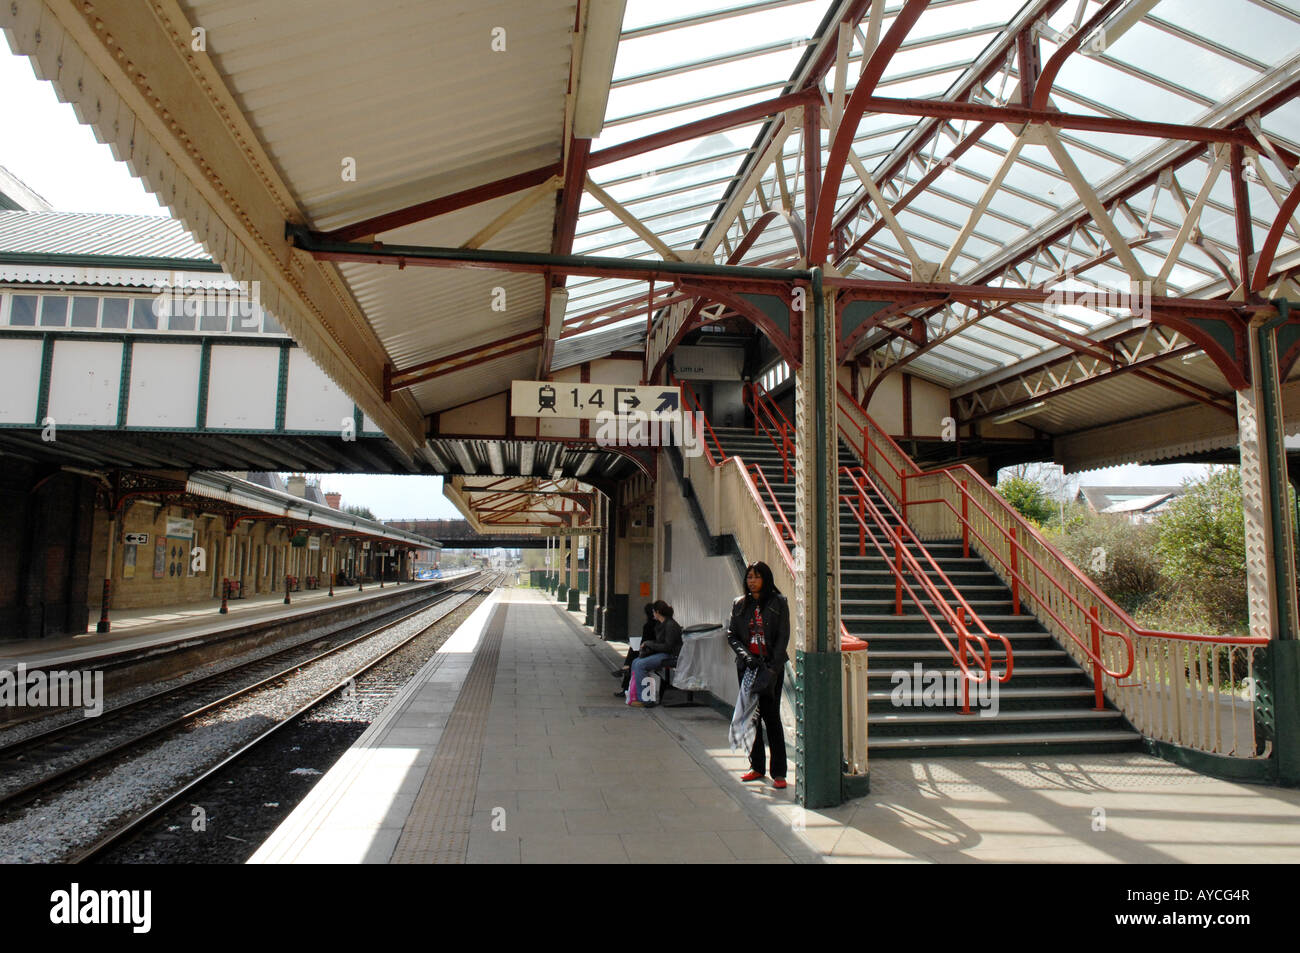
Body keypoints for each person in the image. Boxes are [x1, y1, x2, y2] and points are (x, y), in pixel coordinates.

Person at [725, 561, 790, 788]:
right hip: (748, 668)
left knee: (771, 717)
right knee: (750, 717)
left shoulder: (778, 603)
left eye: (756, 576)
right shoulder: (740, 604)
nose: (751, 580)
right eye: (749, 577)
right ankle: (757, 767)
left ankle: (779, 773)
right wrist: (746, 657)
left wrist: (772, 667)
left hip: (771, 668)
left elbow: (783, 637)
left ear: (766, 578)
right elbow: (731, 634)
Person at [627, 600, 682, 707]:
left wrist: (649, 644)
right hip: (663, 653)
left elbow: (668, 647)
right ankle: (636, 695)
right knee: (635, 662)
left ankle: (645, 699)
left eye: (653, 612)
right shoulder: (662, 624)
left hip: (670, 655)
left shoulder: (670, 625)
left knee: (640, 664)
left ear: (657, 612)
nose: (652, 614)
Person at [615, 604, 657, 696]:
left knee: (633, 659)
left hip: (651, 650)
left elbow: (645, 641)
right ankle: (626, 669)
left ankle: (625, 672)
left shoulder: (648, 625)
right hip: (652, 648)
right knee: (632, 652)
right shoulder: (659, 624)